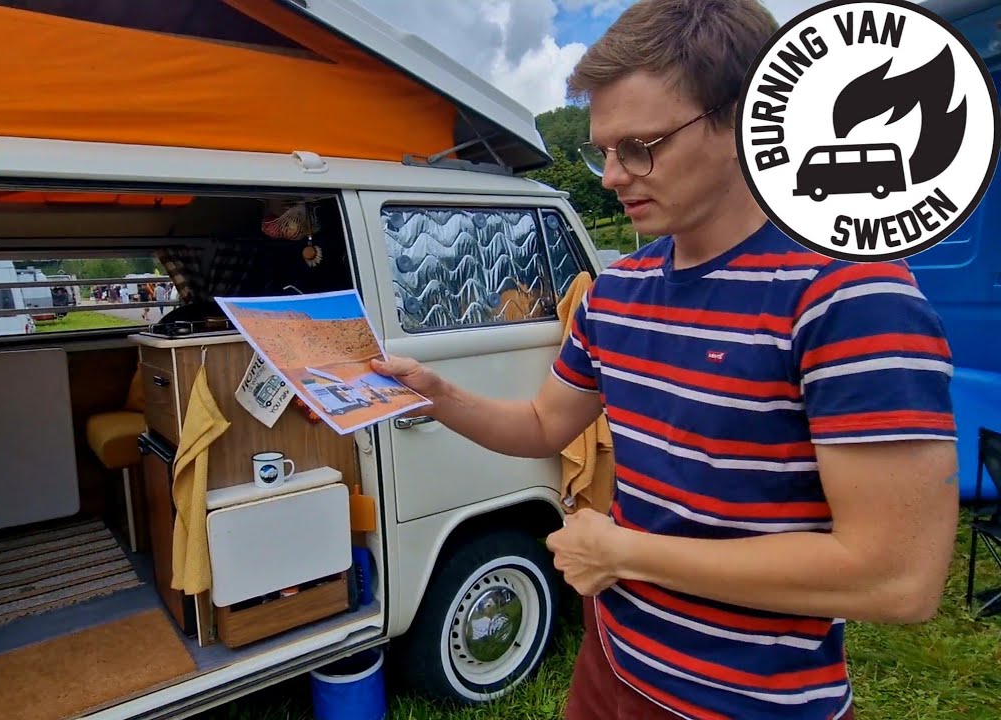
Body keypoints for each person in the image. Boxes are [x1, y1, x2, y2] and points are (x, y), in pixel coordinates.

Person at [372, 1, 959, 718]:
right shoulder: (615, 292)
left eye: (640, 146)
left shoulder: (850, 295)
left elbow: (895, 579)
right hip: (613, 659)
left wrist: (623, 554)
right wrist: (431, 392)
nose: (614, 176)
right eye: (603, 151)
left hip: (747, 701)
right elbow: (540, 424)